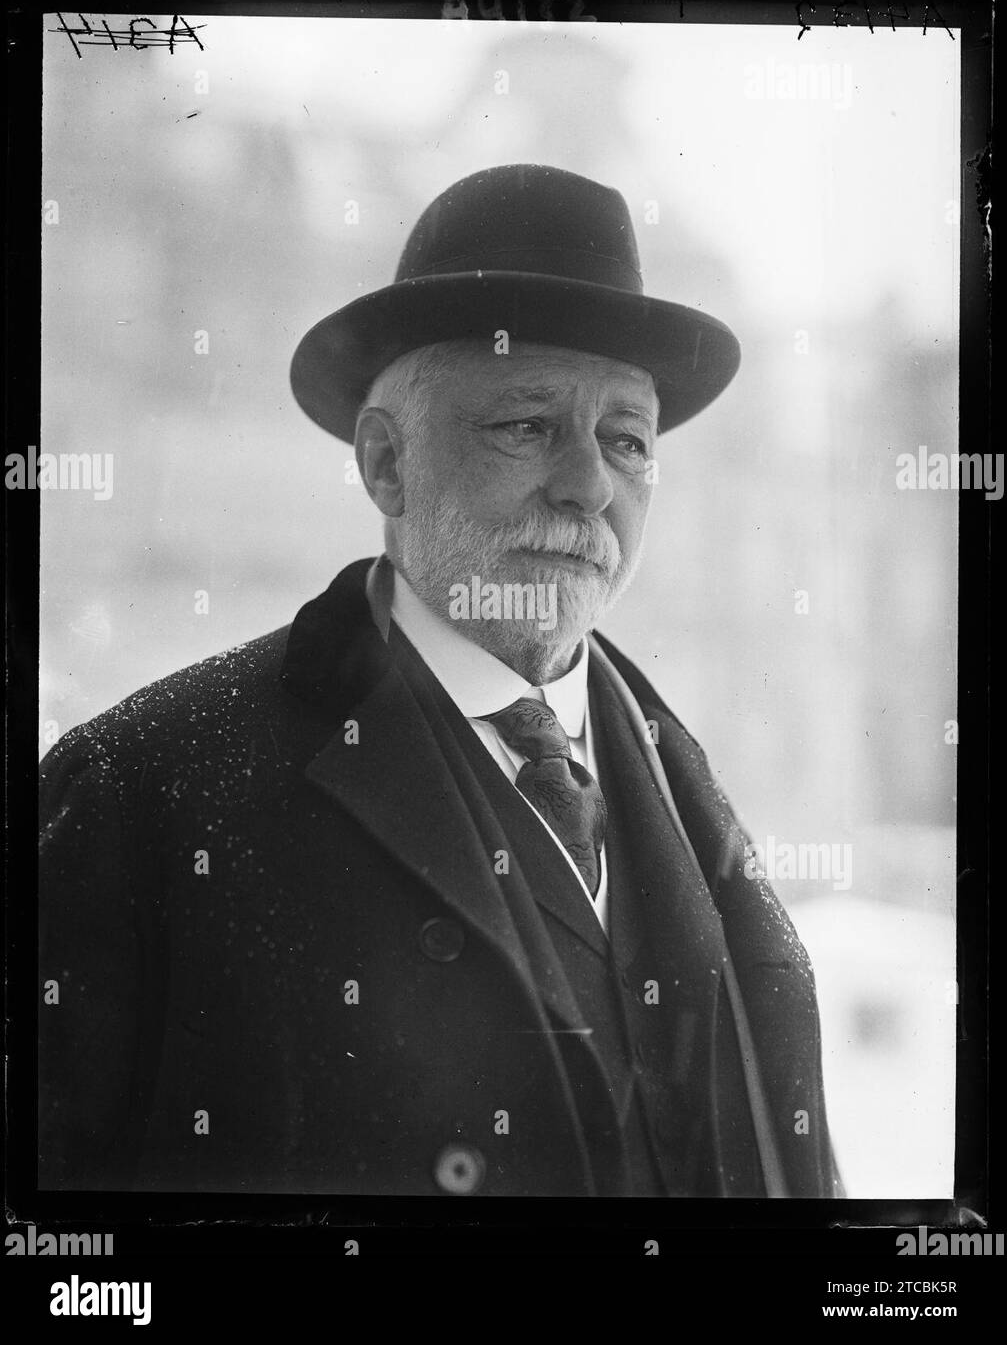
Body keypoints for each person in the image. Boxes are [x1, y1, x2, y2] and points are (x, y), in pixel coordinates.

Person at [39, 164, 840, 1197]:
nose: (590, 485)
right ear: (385, 464)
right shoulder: (135, 797)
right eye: (525, 425)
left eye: (625, 440)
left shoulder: (689, 800)